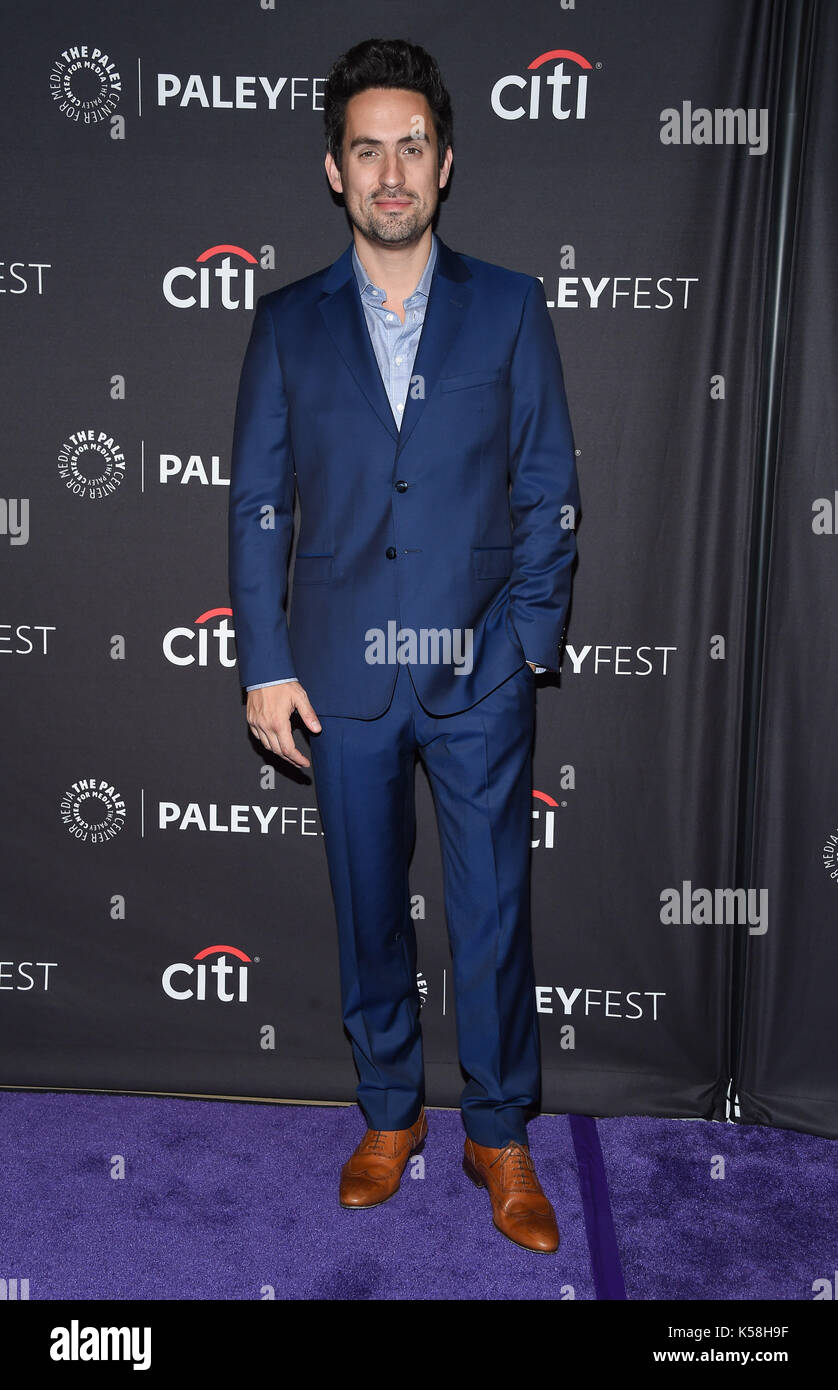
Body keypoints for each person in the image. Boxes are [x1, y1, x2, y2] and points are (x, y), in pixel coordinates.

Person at [228, 37, 580, 1254]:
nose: (391, 171)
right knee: (368, 906)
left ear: (445, 162)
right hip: (340, 678)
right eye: (367, 148)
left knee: (491, 915)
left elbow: (546, 486)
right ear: (335, 170)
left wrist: (528, 640)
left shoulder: (511, 306)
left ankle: (498, 1130)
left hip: (478, 671)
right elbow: (258, 503)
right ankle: (389, 1112)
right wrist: (265, 660)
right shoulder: (286, 325)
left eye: (411, 146)